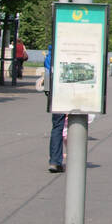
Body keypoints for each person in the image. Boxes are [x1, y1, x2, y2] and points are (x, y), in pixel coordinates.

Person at [39, 45, 66, 173]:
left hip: (56, 92)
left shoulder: (51, 53)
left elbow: (47, 71)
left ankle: (55, 161)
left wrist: (48, 92)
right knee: (77, 123)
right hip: (71, 90)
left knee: (57, 126)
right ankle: (74, 157)